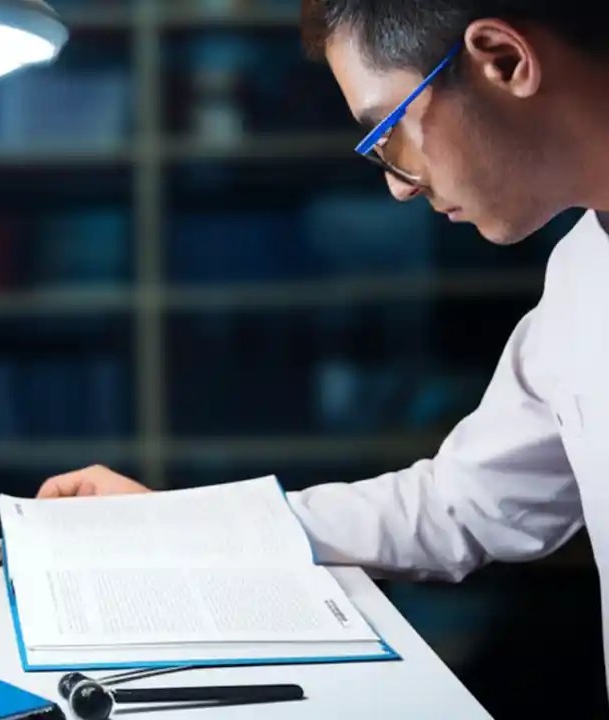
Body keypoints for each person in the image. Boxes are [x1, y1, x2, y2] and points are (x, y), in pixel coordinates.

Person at [36, 0, 609, 686]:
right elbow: (457, 505)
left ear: (505, 60)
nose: (398, 186)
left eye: (391, 131)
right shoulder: (581, 275)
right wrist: (170, 526)